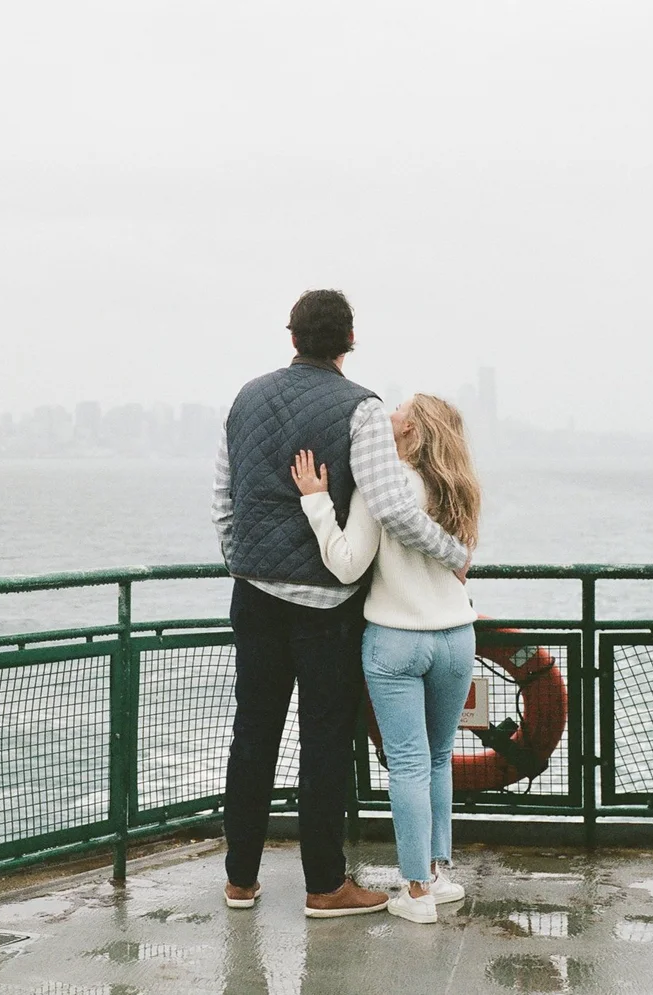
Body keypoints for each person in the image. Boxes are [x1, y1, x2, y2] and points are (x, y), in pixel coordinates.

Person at [214, 290, 471, 918]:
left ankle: (240, 882)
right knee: (323, 742)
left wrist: (241, 559)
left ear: (292, 335)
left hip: (253, 595)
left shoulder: (244, 397)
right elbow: (391, 506)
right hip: (327, 606)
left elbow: (224, 497)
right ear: (350, 341)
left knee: (253, 734)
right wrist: (452, 550)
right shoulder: (360, 409)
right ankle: (325, 887)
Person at [290, 393, 481, 924]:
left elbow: (347, 564)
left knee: (408, 764)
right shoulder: (457, 491)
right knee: (439, 757)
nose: (389, 413)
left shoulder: (387, 487)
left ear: (412, 433)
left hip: (396, 639)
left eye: (401, 409)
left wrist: (317, 502)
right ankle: (438, 876)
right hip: (456, 635)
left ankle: (415, 892)